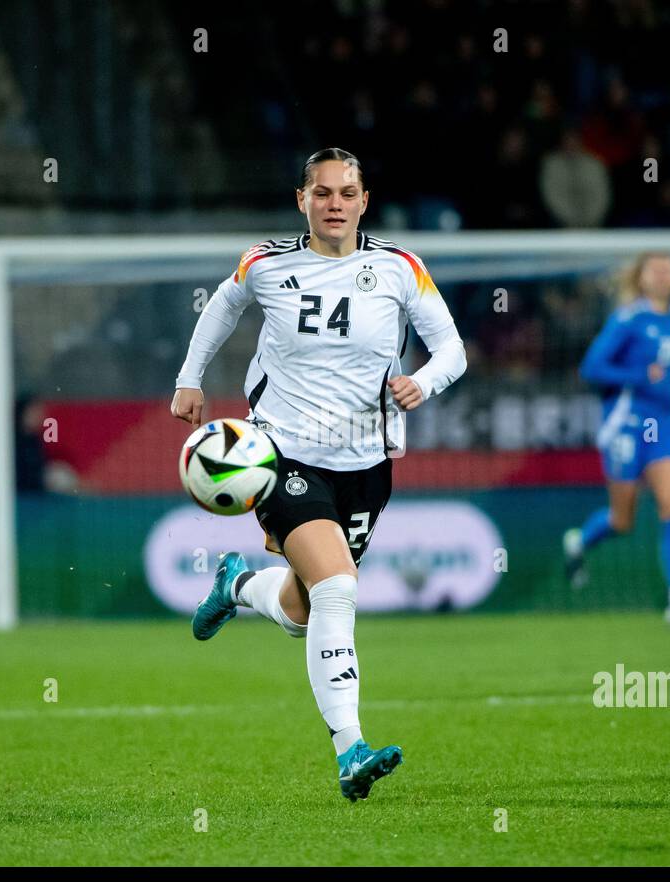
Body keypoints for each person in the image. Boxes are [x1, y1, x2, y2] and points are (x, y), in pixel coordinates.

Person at [170, 148, 467, 801]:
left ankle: (240, 585)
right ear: (302, 199)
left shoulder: (398, 268)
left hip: (367, 462)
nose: (335, 203)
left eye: (347, 192)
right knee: (337, 589)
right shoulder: (268, 263)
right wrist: (190, 378)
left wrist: (423, 381)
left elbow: (453, 348)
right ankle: (350, 750)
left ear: (364, 201)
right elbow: (223, 307)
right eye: (322, 192)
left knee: (305, 609)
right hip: (283, 453)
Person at [563, 252, 670, 630]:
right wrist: (641, 375)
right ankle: (580, 541)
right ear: (642, 278)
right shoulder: (628, 318)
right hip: (626, 423)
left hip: (665, 423)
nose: (664, 274)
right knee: (623, 520)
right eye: (656, 269)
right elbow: (592, 367)